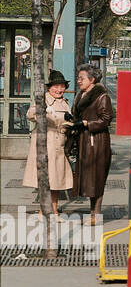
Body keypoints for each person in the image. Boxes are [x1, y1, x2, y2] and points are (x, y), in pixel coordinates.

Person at [69, 64, 114, 226]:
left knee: (97, 178)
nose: (79, 81)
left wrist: (87, 123)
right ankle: (92, 213)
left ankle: (97, 215)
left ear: (92, 80)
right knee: (88, 179)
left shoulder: (102, 97)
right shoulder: (82, 94)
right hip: (85, 140)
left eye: (82, 78)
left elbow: (105, 119)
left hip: (97, 142)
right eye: (78, 78)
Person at [23, 70, 73, 213]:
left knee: (57, 180)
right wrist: (45, 111)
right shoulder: (43, 99)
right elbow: (30, 114)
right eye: (56, 86)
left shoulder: (64, 102)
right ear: (49, 88)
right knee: (46, 179)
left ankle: (54, 210)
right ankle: (44, 211)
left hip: (59, 145)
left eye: (62, 86)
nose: (59, 89)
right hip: (46, 143)